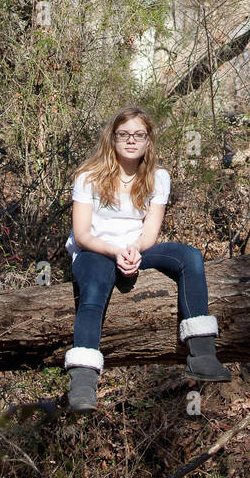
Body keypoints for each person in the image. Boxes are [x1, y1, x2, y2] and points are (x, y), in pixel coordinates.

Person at [64, 105, 231, 412]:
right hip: (95, 250)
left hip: (137, 247)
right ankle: (83, 382)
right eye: (124, 134)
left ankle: (202, 353)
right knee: (95, 288)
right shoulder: (88, 176)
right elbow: (83, 234)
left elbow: (150, 233)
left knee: (189, 257)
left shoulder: (158, 178)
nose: (131, 140)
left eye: (139, 135)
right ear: (112, 138)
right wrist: (116, 252)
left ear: (148, 140)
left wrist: (133, 251)